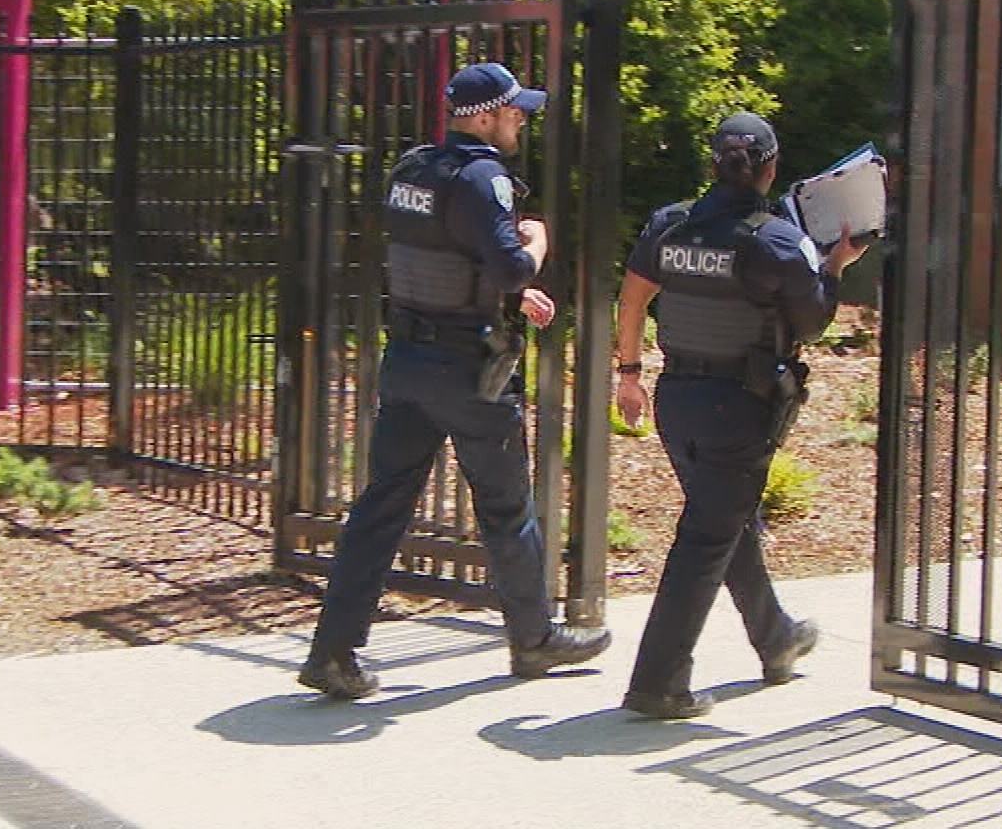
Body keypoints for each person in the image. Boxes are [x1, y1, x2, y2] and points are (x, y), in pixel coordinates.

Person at [298, 62, 611, 699]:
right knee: (505, 506)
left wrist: (499, 295)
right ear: (489, 116)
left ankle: (333, 652)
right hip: (466, 372)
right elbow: (510, 266)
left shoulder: (414, 170)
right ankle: (533, 639)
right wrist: (537, 243)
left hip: (408, 360)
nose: (522, 118)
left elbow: (440, 254)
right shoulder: (482, 178)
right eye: (515, 110)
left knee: (381, 505)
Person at [611, 111, 870, 719]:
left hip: (677, 399)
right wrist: (834, 266)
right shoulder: (777, 239)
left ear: (712, 165)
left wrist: (628, 374)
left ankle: (775, 636)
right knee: (706, 536)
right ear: (771, 169)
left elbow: (631, 297)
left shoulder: (669, 225)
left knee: (724, 517)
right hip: (739, 405)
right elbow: (812, 321)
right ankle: (657, 681)